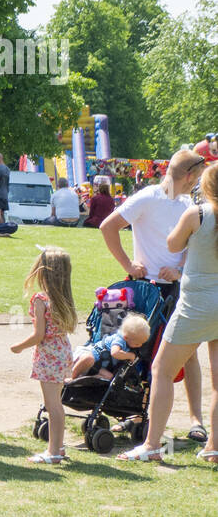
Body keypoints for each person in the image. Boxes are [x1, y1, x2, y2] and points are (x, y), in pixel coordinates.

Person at [102, 148, 210, 442]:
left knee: (187, 355)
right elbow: (107, 226)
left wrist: (180, 269)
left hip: (175, 289)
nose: (197, 183)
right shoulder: (148, 197)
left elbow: (193, 246)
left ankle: (195, 420)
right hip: (145, 289)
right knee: (141, 352)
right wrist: (128, 265)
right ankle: (136, 415)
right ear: (188, 176)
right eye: (196, 177)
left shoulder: (189, 203)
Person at [121, 163, 218, 461]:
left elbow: (173, 244)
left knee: (162, 369)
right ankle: (213, 446)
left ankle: (151, 446)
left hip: (197, 302)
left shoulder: (196, 213)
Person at [11, 247, 78, 464]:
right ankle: (58, 446)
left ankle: (54, 451)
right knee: (56, 403)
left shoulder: (41, 299)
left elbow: (39, 335)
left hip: (49, 356)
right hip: (62, 352)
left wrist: (19, 346)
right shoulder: (63, 298)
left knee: (53, 405)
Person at [68, 313, 151, 380]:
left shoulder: (129, 342)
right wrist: (130, 355)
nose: (140, 345)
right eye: (137, 344)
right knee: (89, 359)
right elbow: (115, 353)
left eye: (141, 343)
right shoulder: (119, 339)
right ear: (126, 337)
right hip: (87, 356)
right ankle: (71, 377)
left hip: (97, 366)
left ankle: (84, 379)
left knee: (110, 377)